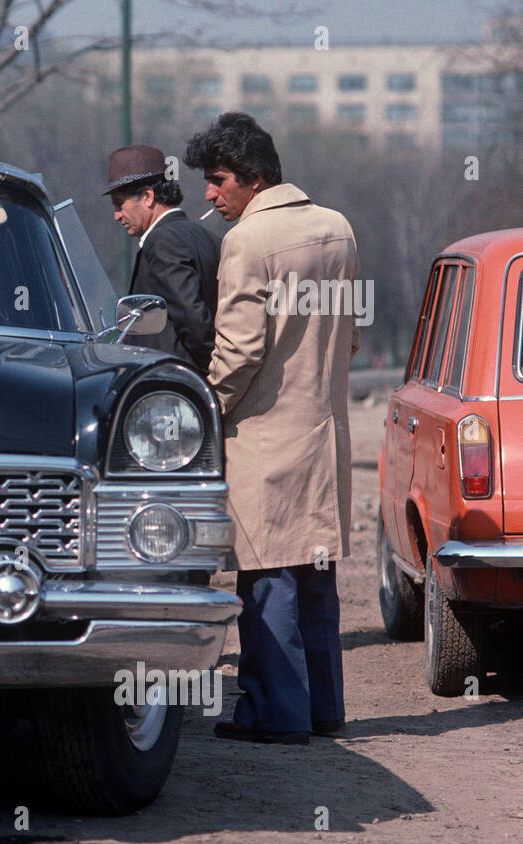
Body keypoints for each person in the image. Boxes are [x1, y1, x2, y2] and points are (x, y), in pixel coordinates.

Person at [183, 112, 360, 744]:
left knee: (266, 576)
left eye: (219, 179)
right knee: (316, 575)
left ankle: (274, 713)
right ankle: (324, 708)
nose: (210, 193)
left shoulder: (247, 242)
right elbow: (352, 337)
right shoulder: (337, 229)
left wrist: (202, 414)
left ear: (254, 178)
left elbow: (238, 352)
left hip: (264, 435)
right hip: (326, 432)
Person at [104, 144, 219, 371]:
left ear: (147, 196)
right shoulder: (209, 238)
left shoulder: (161, 241)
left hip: (172, 384)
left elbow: (192, 317)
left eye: (119, 204)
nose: (116, 215)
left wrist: (213, 368)